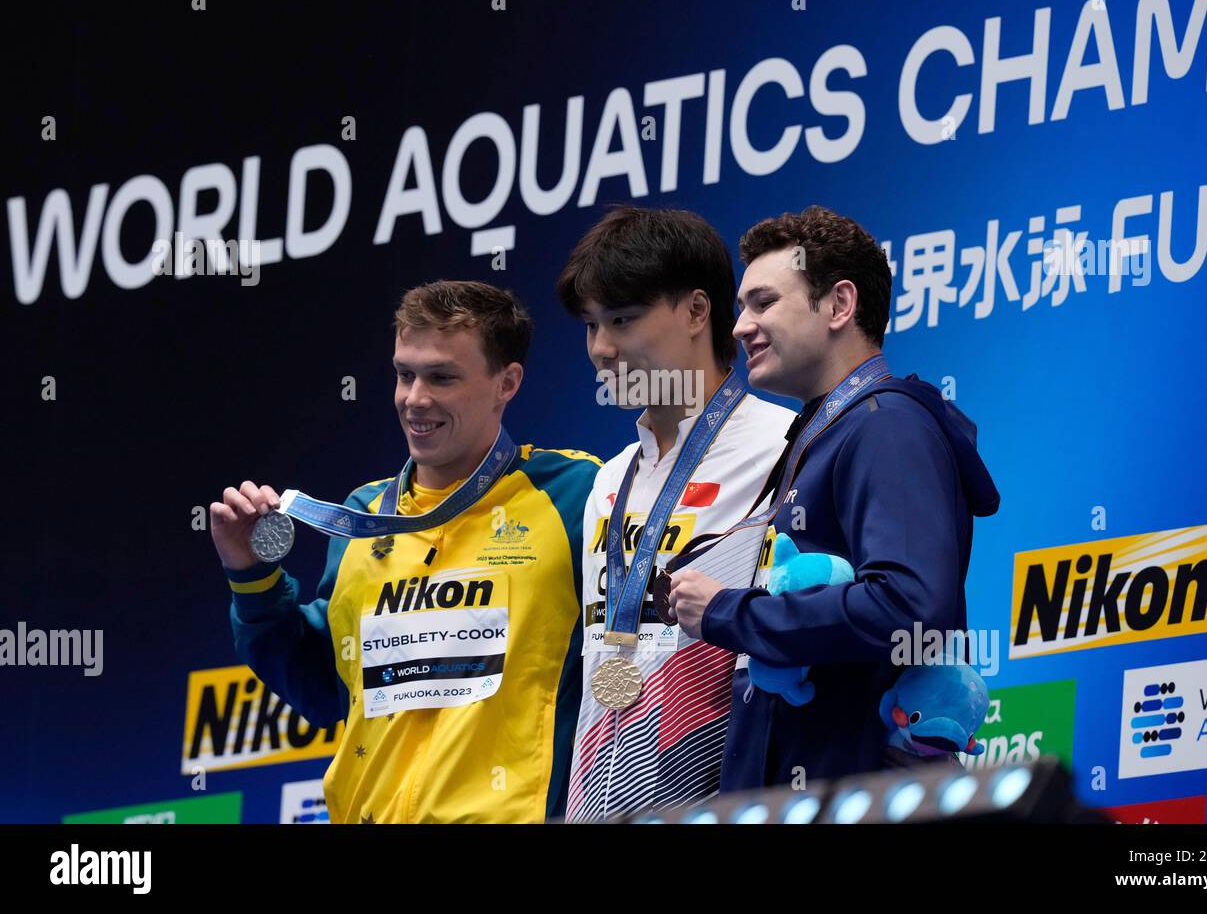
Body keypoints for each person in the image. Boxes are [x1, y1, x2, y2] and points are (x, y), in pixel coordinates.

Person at [210, 280, 599, 822]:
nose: (415, 399)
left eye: (442, 377)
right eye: (404, 373)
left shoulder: (575, 493)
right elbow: (325, 692)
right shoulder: (363, 514)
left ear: (506, 383)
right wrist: (250, 575)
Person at [667, 206, 1000, 791]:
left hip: (858, 796)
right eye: (741, 305)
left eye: (764, 303)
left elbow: (907, 608)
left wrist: (730, 612)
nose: (741, 325)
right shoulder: (832, 429)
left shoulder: (886, 426)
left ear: (840, 306)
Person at [555, 206, 794, 820]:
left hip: (732, 796)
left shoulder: (789, 448)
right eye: (591, 325)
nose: (602, 350)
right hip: (603, 799)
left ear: (696, 311)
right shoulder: (608, 482)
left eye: (624, 319)